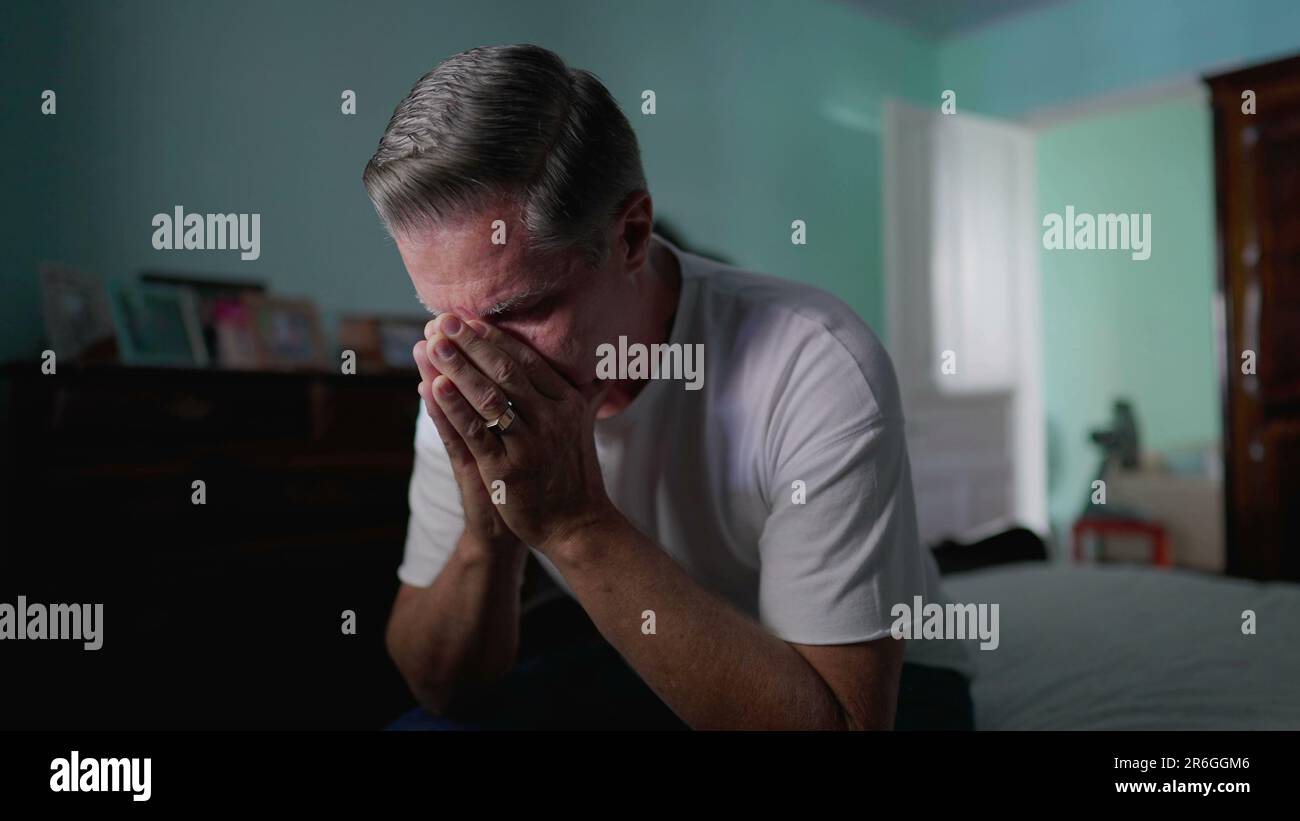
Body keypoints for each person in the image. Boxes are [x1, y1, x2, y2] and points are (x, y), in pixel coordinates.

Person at [362, 43, 975, 730]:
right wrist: (488, 536)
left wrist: (572, 522)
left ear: (630, 235)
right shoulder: (462, 370)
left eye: (518, 311)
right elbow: (440, 687)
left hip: (882, 680)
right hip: (639, 649)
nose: (482, 354)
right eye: (443, 313)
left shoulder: (817, 363)